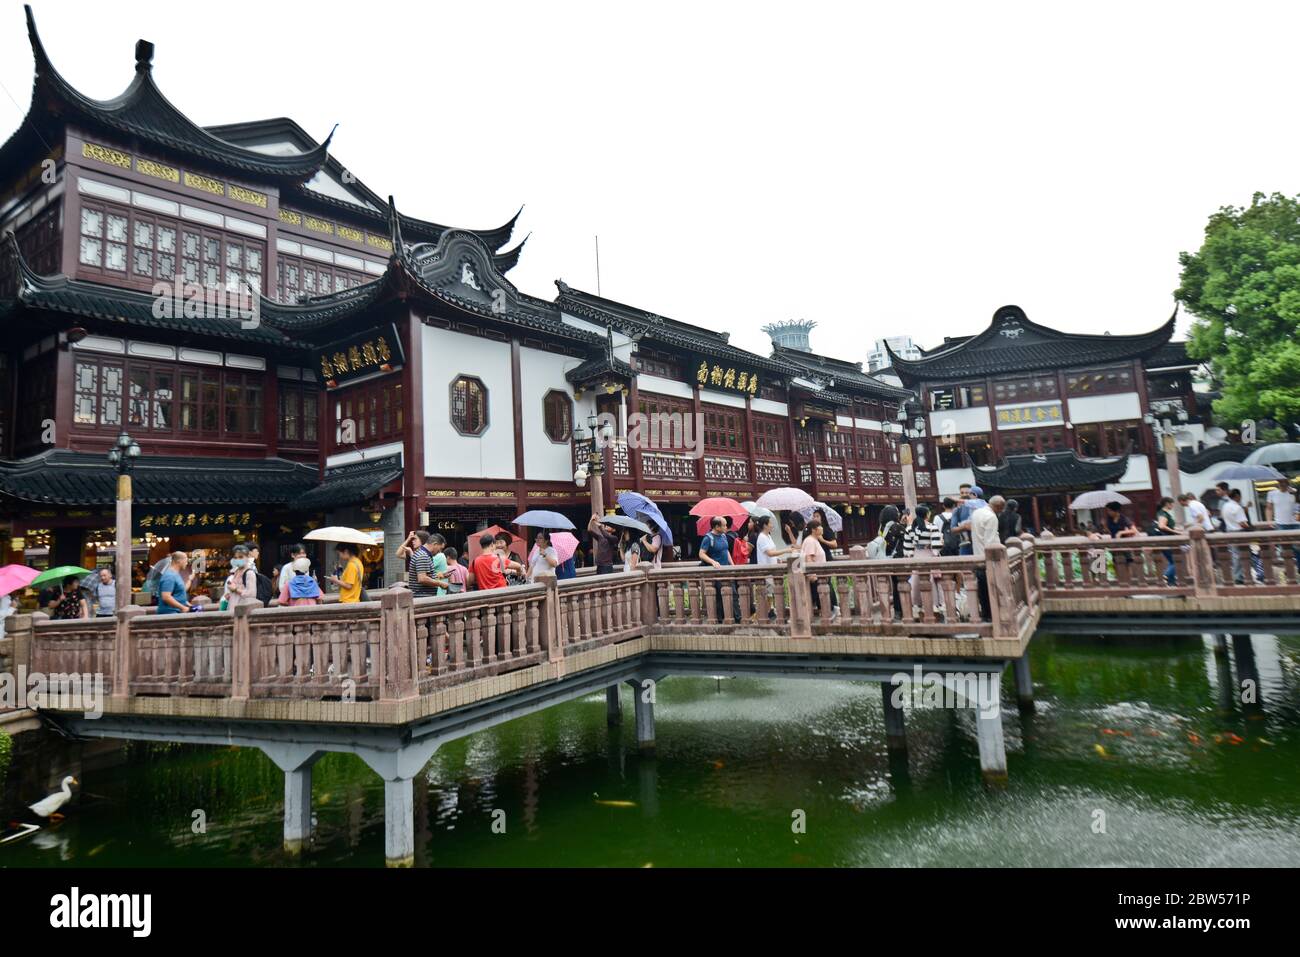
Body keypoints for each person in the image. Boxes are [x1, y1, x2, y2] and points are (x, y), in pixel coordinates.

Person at [970, 495, 1004, 621]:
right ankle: (992, 615)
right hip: (987, 558)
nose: (1001, 511)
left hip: (977, 555)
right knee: (991, 588)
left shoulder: (977, 512)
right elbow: (990, 542)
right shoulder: (991, 517)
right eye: (1001, 509)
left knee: (982, 588)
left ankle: (985, 614)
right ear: (998, 507)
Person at [699, 516, 740, 623]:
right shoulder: (708, 538)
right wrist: (713, 562)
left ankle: (737, 618)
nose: (726, 527)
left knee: (734, 594)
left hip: (727, 570)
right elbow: (701, 554)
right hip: (717, 572)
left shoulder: (723, 536)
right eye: (724, 525)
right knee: (719, 596)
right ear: (717, 526)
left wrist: (732, 564)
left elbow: (726, 551)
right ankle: (721, 619)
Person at [800, 520, 839, 619]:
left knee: (826, 596)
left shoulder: (815, 540)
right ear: (814, 529)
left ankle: (829, 614)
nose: (822, 528)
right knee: (821, 598)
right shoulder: (810, 541)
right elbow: (809, 558)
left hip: (821, 575)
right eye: (820, 526)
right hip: (817, 576)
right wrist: (813, 575)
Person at [952, 485, 989, 556]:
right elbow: (953, 529)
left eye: (968, 493)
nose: (965, 495)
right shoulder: (958, 509)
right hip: (968, 544)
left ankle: (966, 538)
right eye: (962, 493)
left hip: (980, 535)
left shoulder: (977, 503)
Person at [222, 544, 260, 609]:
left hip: (243, 611)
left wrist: (236, 589)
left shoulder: (249, 573)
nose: (238, 560)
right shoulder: (236, 572)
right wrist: (229, 594)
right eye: (235, 558)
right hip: (233, 609)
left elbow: (251, 594)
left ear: (248, 557)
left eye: (241, 557)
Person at [405, 530, 441, 598]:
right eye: (439, 549)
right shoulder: (422, 555)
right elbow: (422, 579)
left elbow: (426, 575)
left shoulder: (423, 554)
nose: (438, 552)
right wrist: (440, 583)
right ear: (435, 544)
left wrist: (437, 576)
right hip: (421, 597)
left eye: (415, 539)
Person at [1153, 496, 1179, 585]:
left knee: (1172, 560)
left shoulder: (1164, 513)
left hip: (1167, 538)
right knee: (1174, 561)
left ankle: (1171, 582)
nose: (1173, 506)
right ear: (1168, 504)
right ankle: (1165, 575)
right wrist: (1175, 531)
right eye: (1172, 504)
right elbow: (1161, 526)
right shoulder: (1163, 513)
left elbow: (1168, 525)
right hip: (1166, 539)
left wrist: (1177, 530)